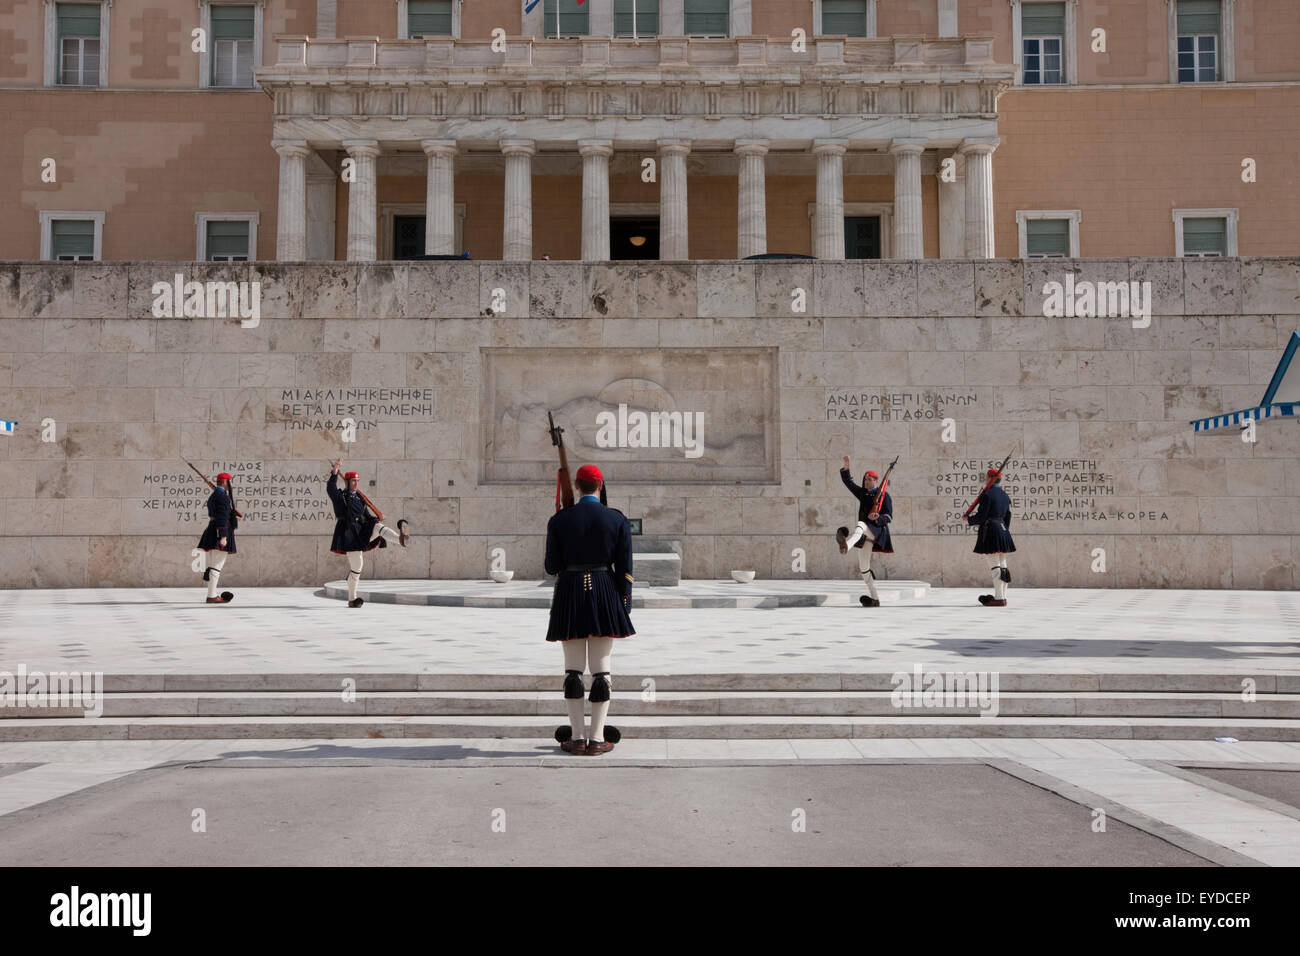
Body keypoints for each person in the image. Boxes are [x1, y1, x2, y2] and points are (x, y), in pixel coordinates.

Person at [544, 464, 634, 756]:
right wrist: (624, 602)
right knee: (601, 671)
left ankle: (577, 737)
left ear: (577, 486)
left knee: (573, 671)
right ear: (600, 485)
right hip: (605, 592)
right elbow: (625, 569)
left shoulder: (559, 520)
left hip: (570, 591)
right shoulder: (616, 519)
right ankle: (597, 739)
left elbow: (551, 567)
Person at [327, 459, 410, 608]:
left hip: (362, 529)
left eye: (357, 481)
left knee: (377, 526)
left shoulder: (359, 497)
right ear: (347, 482)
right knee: (357, 567)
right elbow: (330, 488)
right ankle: (352, 599)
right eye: (353, 481)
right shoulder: (340, 496)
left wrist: (376, 517)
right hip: (349, 533)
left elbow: (366, 514)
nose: (356, 484)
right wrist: (334, 472)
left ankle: (401, 540)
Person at [835, 455, 893, 607]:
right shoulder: (863, 493)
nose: (866, 482)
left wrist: (878, 517)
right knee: (863, 567)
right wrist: (846, 467)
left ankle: (846, 545)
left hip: (877, 531)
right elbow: (848, 483)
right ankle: (875, 599)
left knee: (860, 524)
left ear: (876, 481)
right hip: (863, 536)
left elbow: (889, 516)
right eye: (865, 479)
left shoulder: (884, 496)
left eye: (869, 480)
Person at [967, 467, 1016, 607]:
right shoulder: (1005, 495)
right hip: (1003, 529)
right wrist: (1003, 530)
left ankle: (999, 598)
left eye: (987, 477)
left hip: (991, 531)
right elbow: (1008, 516)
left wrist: (969, 519)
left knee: (995, 567)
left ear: (990, 478)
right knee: (1003, 566)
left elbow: (982, 516)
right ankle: (1003, 596)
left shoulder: (987, 495)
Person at [196, 472, 237, 604]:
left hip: (212, 529)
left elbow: (221, 514)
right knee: (217, 565)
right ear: (225, 482)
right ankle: (212, 596)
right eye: (230, 482)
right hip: (219, 532)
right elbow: (222, 517)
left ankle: (211, 594)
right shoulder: (223, 497)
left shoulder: (215, 495)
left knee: (213, 565)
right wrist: (223, 536)